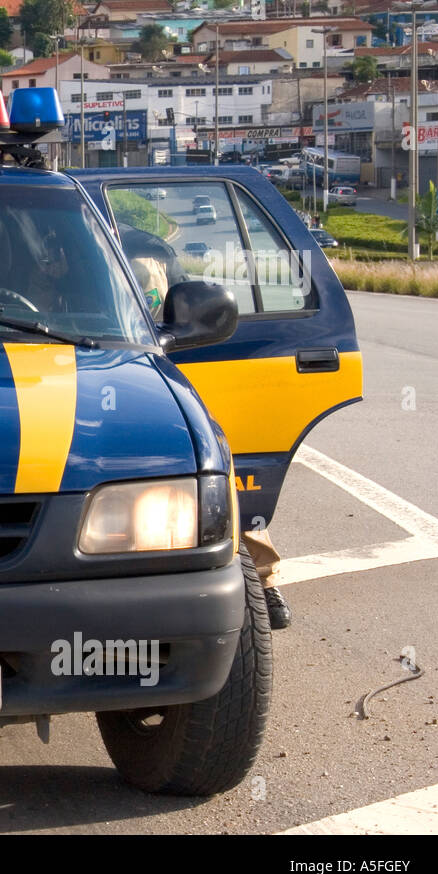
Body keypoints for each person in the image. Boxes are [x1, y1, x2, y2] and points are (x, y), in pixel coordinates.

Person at [118, 223, 292, 631]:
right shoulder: (127, 241)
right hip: (132, 371)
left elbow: (155, 312)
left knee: (210, 486)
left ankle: (263, 584)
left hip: (150, 367)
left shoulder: (138, 257)